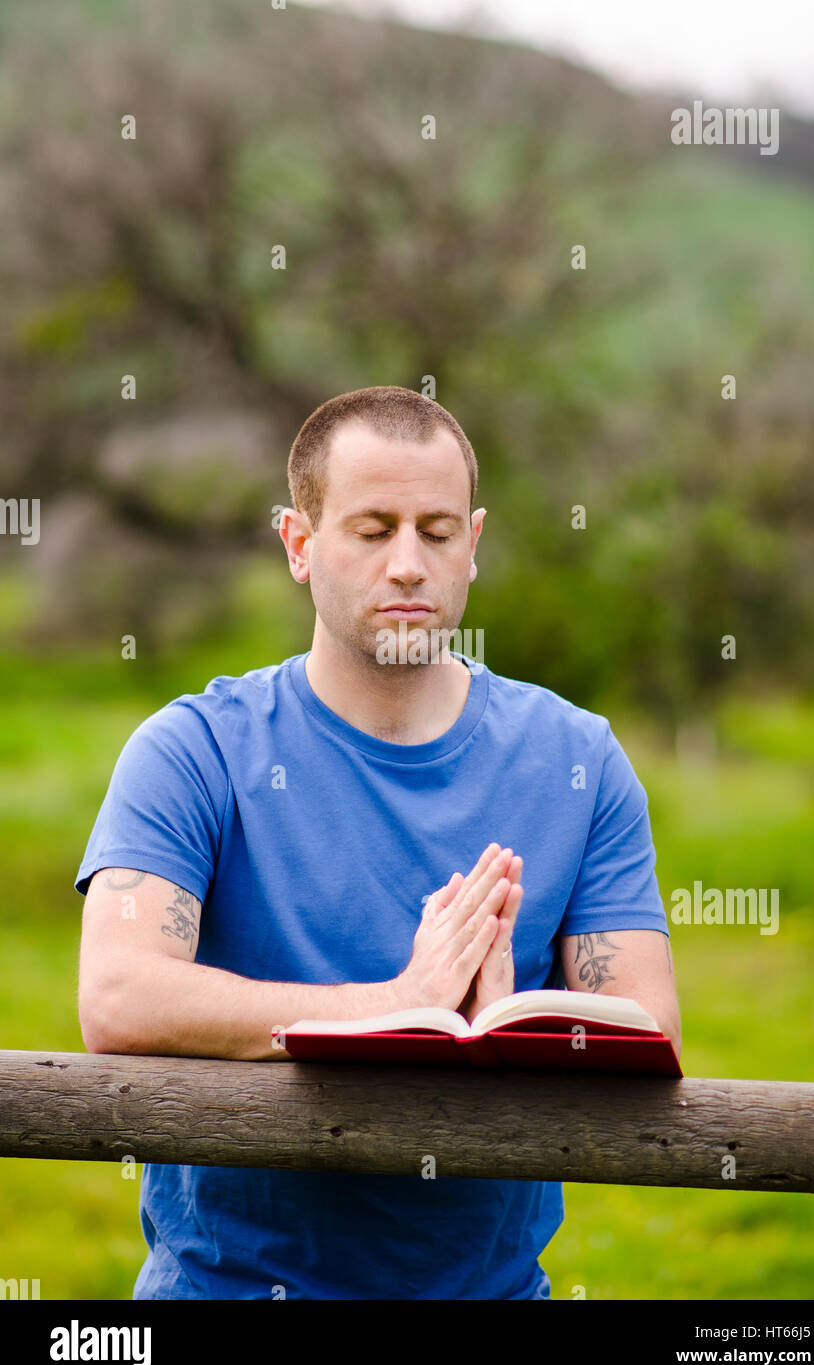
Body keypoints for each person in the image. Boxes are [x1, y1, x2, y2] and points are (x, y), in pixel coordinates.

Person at [76, 384, 682, 1300]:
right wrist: (394, 1003)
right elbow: (119, 999)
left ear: (472, 546)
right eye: (372, 529)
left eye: (436, 533)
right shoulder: (193, 749)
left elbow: (650, 1029)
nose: (408, 564)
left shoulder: (577, 760)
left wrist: (504, 1034)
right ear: (299, 543)